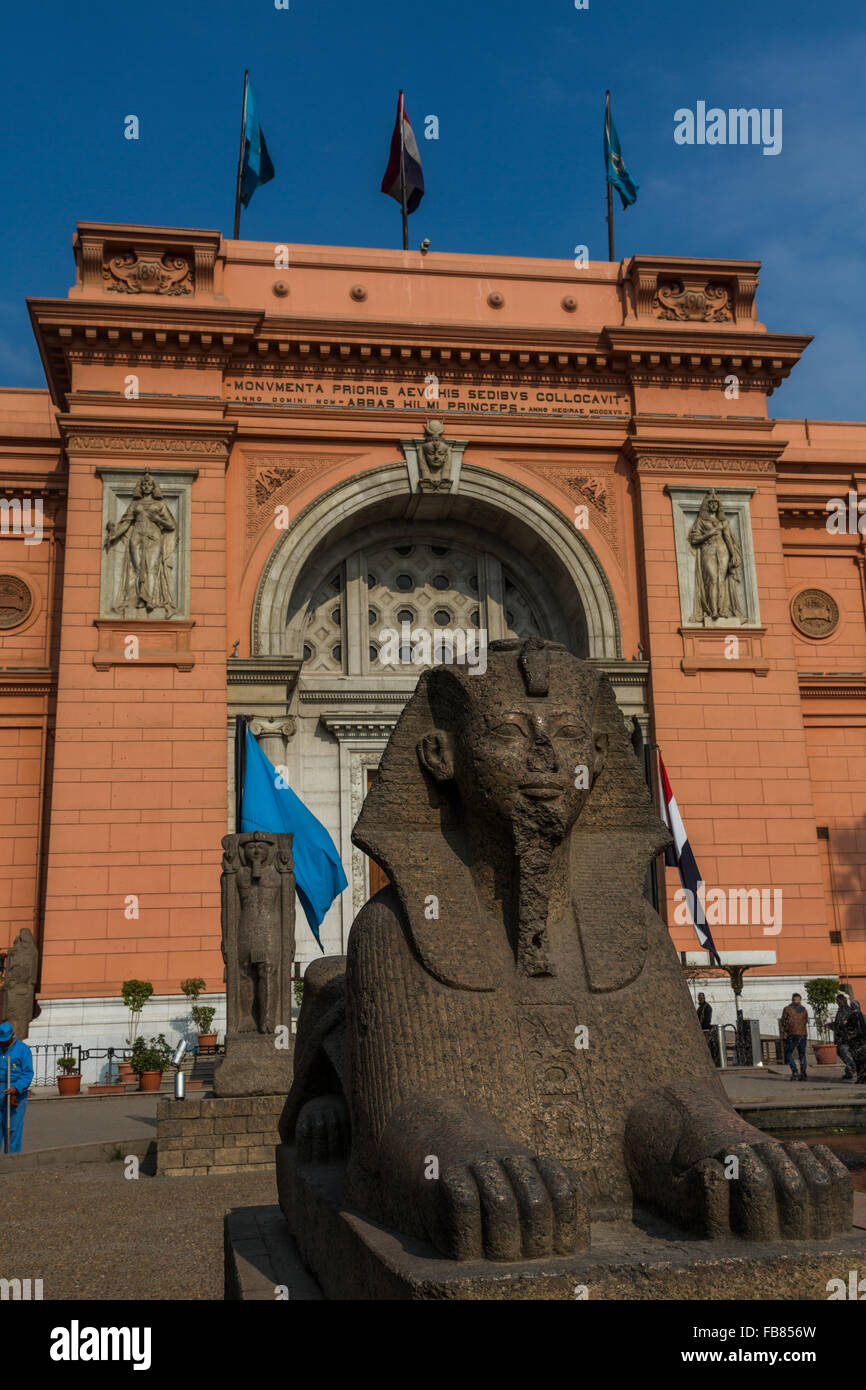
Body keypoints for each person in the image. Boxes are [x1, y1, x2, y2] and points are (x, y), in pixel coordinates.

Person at [0, 1020, 33, 1153]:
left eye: (5, 1041)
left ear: (13, 1035)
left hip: (15, 1093)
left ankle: (11, 1160)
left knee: (12, 1130)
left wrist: (16, 1088)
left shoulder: (23, 1050)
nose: (3, 1043)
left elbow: (27, 1073)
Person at [780, 992, 809, 1081]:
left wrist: (785, 1030)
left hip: (792, 1034)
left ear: (792, 999)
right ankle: (803, 1074)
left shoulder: (787, 1009)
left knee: (788, 1053)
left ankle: (795, 1071)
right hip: (803, 1034)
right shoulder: (804, 1010)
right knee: (802, 1055)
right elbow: (806, 1021)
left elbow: (783, 1021)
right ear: (799, 1000)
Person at [841, 1002, 866, 1085]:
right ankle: (863, 1078)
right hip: (863, 1041)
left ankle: (861, 1079)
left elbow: (850, 1029)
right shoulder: (862, 1015)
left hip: (855, 1042)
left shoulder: (852, 1016)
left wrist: (845, 1024)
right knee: (863, 1061)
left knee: (858, 1061)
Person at [833, 992, 857, 1080]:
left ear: (840, 1001)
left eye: (837, 1000)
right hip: (850, 1036)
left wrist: (832, 1025)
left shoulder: (842, 1010)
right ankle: (849, 1072)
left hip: (842, 1037)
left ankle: (853, 1068)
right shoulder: (849, 1010)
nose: (836, 1002)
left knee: (844, 1054)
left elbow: (840, 1024)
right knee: (847, 1054)